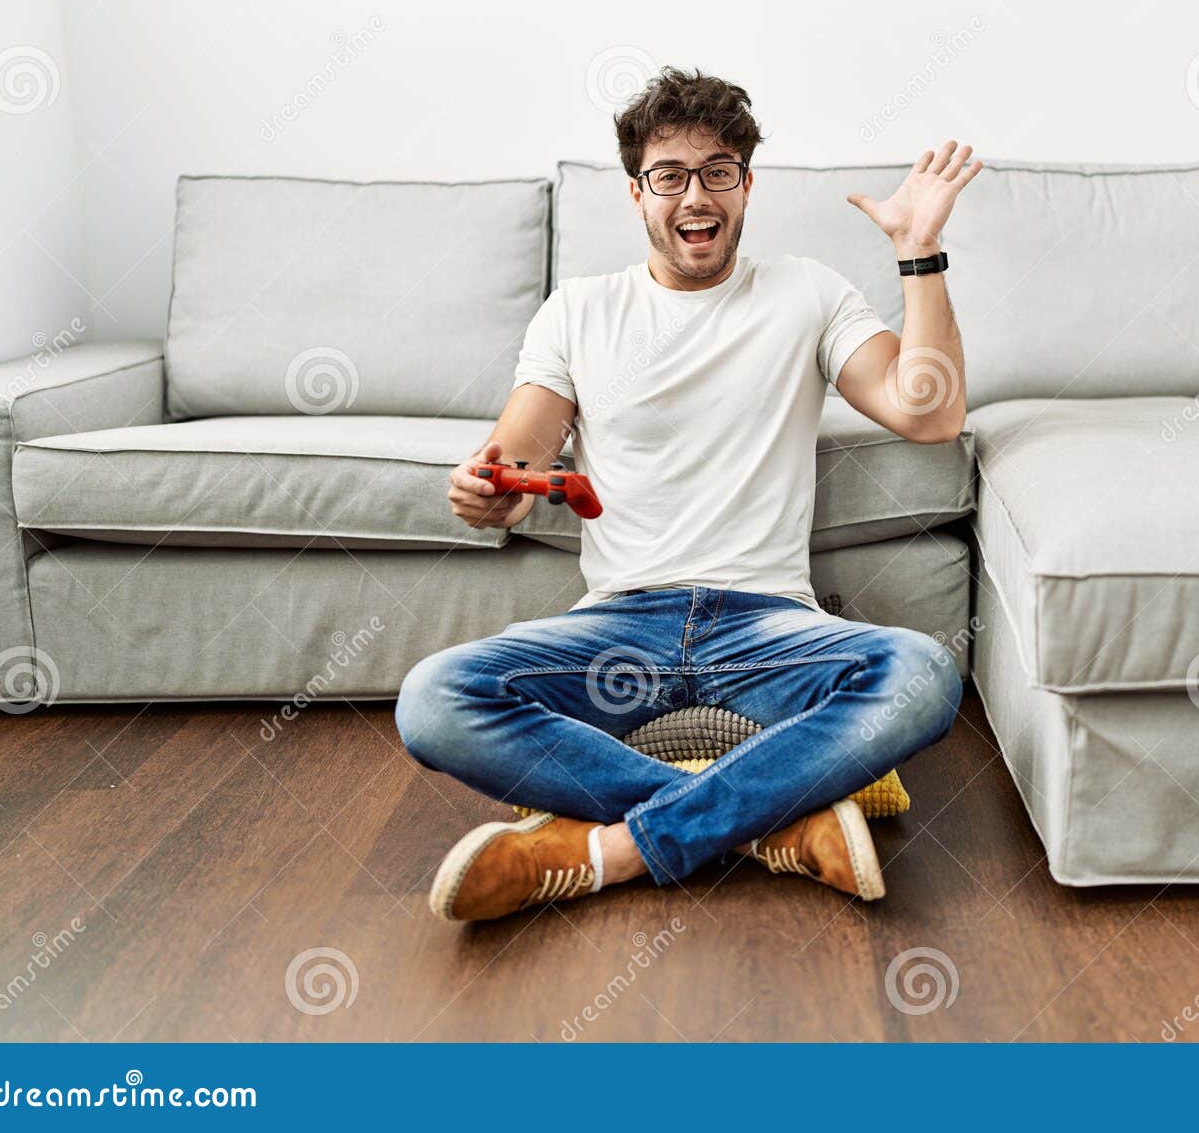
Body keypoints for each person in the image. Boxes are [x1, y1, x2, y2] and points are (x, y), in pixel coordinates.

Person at [394, 66, 981, 922]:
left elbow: (928, 412)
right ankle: (770, 825)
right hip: (616, 628)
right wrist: (491, 488)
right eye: (669, 176)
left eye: (717, 172)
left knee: (923, 673)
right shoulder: (578, 311)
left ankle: (611, 849)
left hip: (767, 629)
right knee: (434, 699)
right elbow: (518, 454)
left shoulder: (808, 293)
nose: (694, 196)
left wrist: (918, 251)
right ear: (637, 194)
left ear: (747, 184)